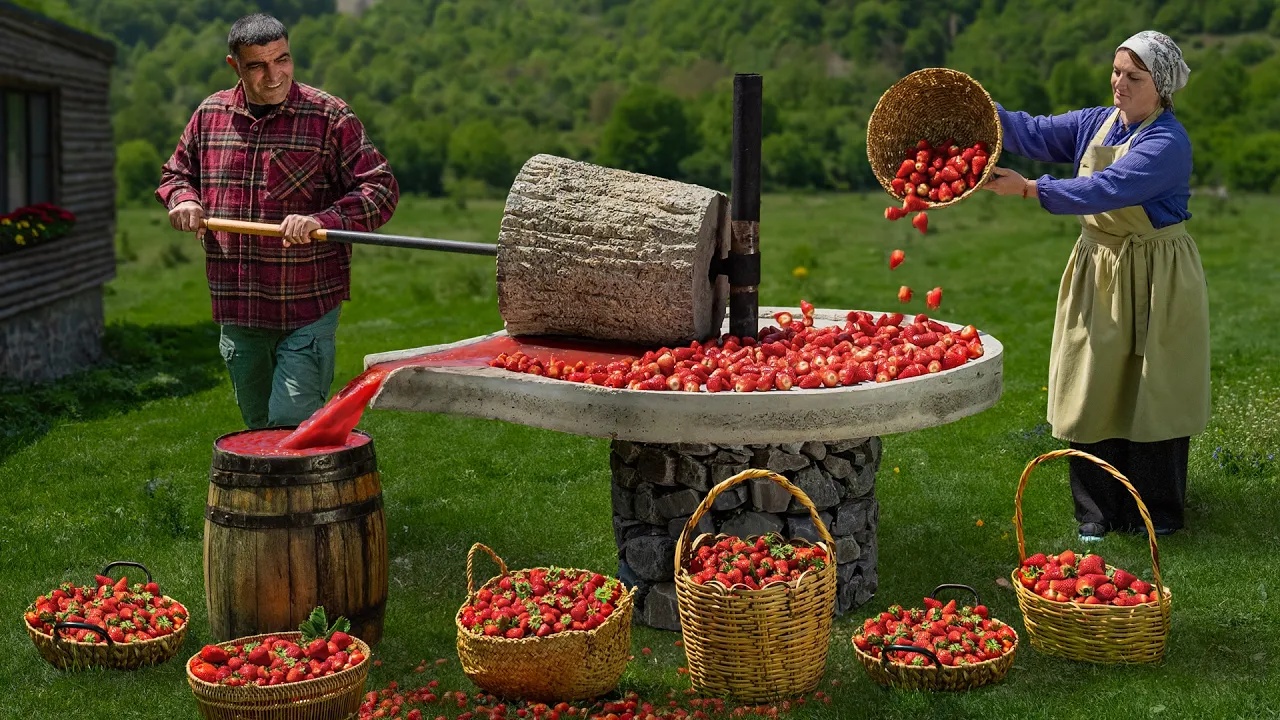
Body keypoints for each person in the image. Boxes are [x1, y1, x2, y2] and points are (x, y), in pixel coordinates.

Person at [983, 30, 1208, 541]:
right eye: (1116, 71)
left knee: (1156, 385)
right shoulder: (1096, 123)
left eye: (1134, 77)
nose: (1119, 83)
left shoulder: (1167, 142)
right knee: (1091, 380)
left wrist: (1030, 188)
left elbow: (1108, 187)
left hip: (1157, 269)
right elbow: (1032, 132)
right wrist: (979, 111)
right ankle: (1096, 511)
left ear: (1160, 86)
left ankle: (1157, 512)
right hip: (1100, 266)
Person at [156, 13, 399, 430]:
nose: (274, 76)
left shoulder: (329, 116)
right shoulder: (210, 115)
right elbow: (176, 175)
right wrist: (185, 200)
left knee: (289, 424)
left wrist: (323, 220)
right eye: (257, 65)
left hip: (305, 307)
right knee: (257, 429)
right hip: (238, 307)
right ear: (235, 65)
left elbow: (380, 188)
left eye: (282, 59)